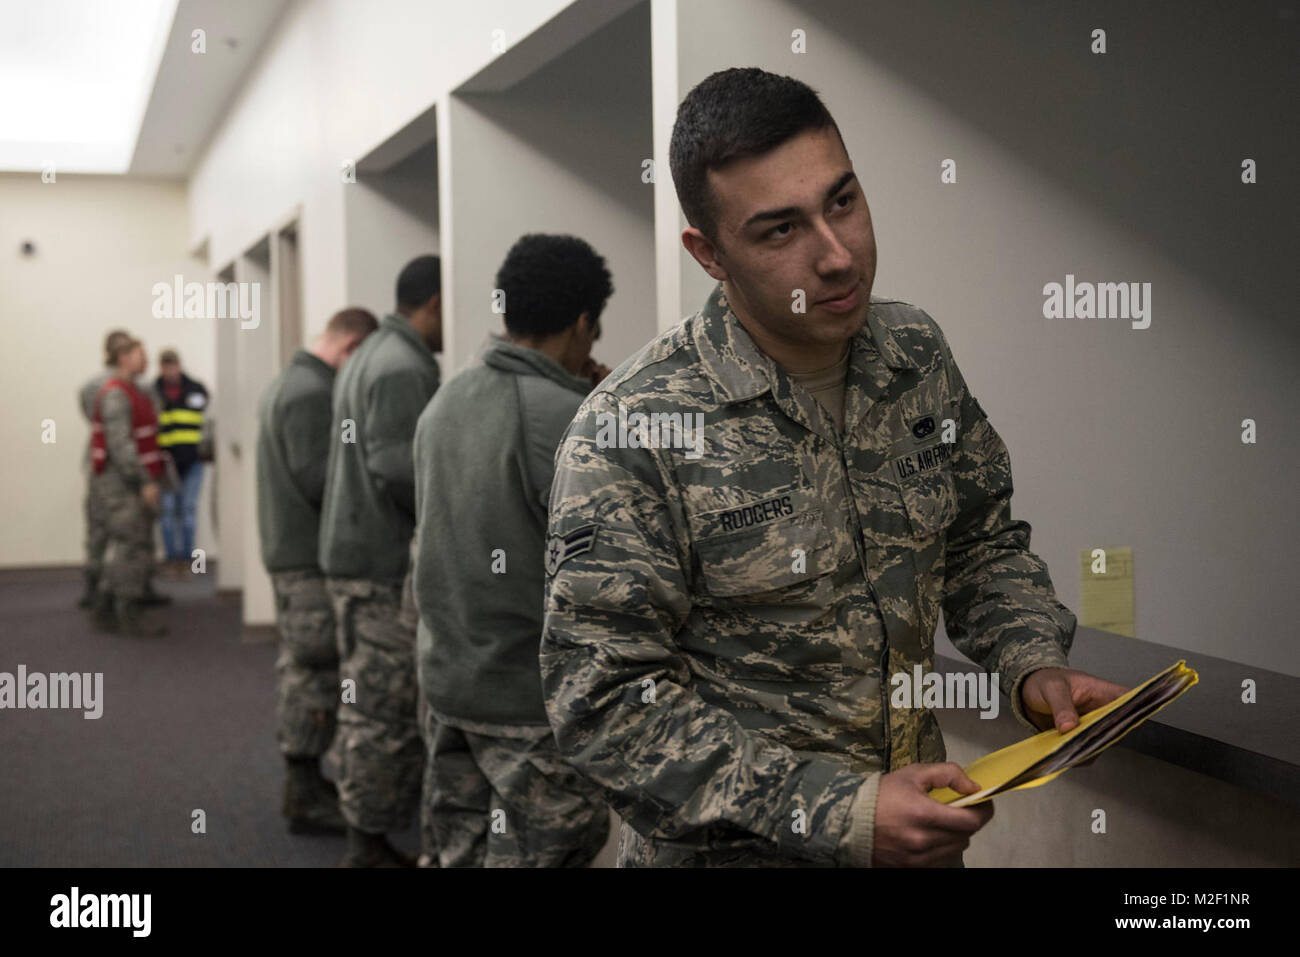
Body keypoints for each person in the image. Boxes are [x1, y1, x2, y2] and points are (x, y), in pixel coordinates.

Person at [539, 68, 1128, 868]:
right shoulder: (632, 429)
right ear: (708, 253)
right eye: (781, 231)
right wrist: (838, 811)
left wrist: (1033, 664)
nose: (837, 255)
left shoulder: (913, 354)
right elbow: (603, 705)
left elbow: (980, 541)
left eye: (842, 202)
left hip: (924, 842)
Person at [412, 235, 613, 868]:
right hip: (528, 706)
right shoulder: (565, 416)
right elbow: (613, 568)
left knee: (460, 851)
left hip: (450, 689)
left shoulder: (446, 400)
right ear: (583, 322)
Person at [319, 255, 442, 867]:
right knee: (384, 710)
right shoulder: (400, 365)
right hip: (380, 564)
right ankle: (366, 841)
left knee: (366, 702)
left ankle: (364, 829)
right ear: (434, 303)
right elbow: (398, 469)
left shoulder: (369, 352)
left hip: (355, 555)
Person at [257, 308, 379, 836]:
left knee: (304, 669)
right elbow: (319, 480)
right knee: (314, 674)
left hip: (292, 553)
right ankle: (303, 793)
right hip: (307, 559)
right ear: (350, 346)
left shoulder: (289, 380)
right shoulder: (311, 390)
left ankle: (304, 786)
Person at [77, 333, 171, 611]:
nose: (146, 360)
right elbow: (119, 439)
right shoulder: (113, 389)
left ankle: (120, 590)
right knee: (124, 533)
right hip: (116, 472)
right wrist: (142, 477)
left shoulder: (136, 388)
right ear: (122, 355)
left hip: (121, 467)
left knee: (128, 532)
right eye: (140, 354)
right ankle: (113, 596)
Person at [153, 349, 210, 577]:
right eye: (166, 366)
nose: (170, 371)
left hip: (192, 461)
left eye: (173, 365)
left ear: (179, 365)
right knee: (167, 511)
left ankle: (187, 559)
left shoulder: (197, 390)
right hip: (165, 463)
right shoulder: (153, 393)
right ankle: (171, 559)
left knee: (187, 510)